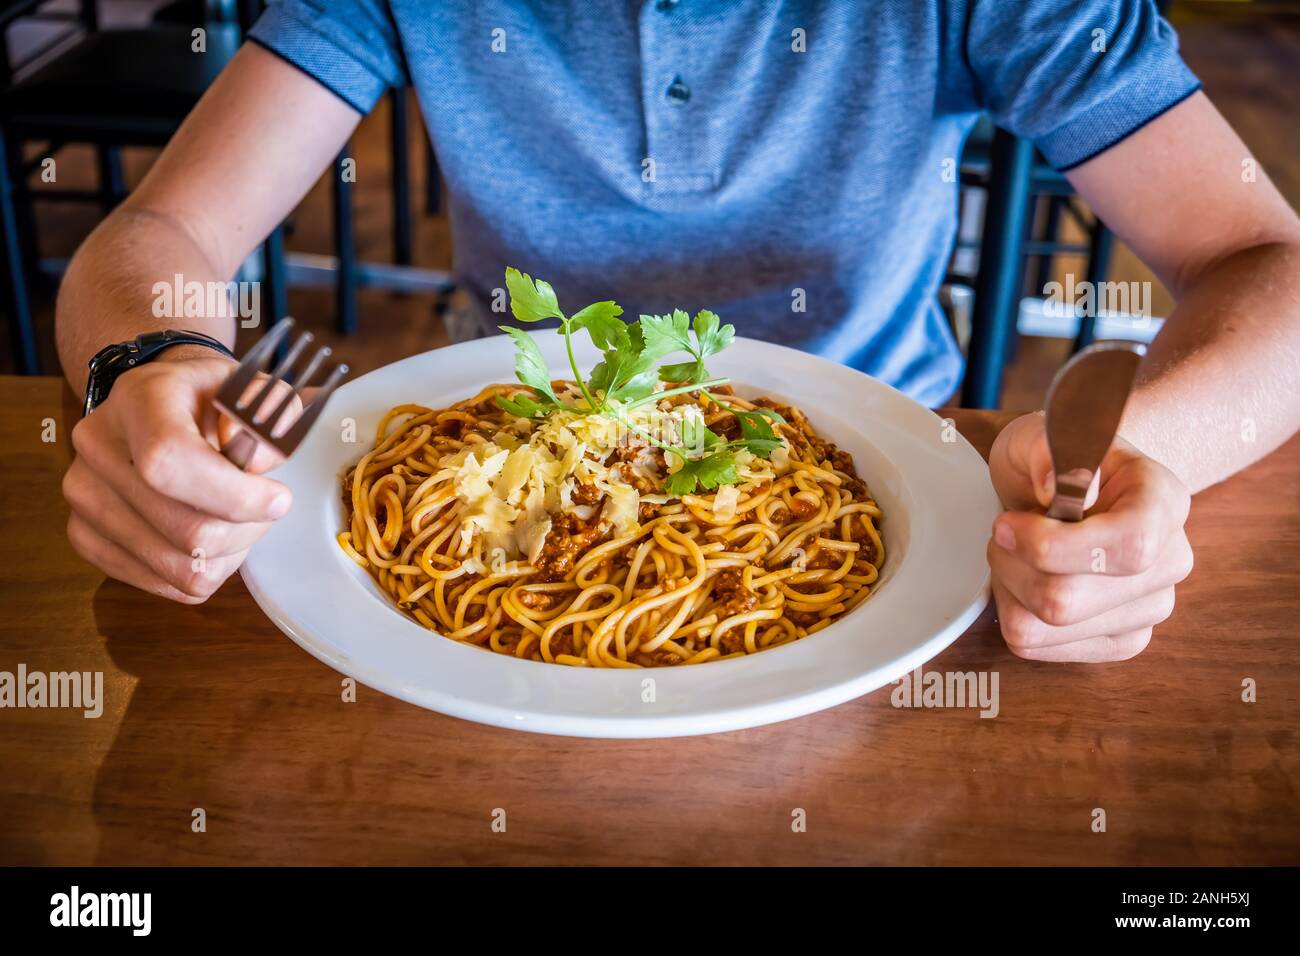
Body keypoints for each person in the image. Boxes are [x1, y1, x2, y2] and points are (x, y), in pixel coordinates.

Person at [56, 1, 1300, 662]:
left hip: (917, 532)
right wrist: (146, 361)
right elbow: (161, 232)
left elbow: (1270, 263)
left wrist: (1150, 456)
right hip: (485, 476)